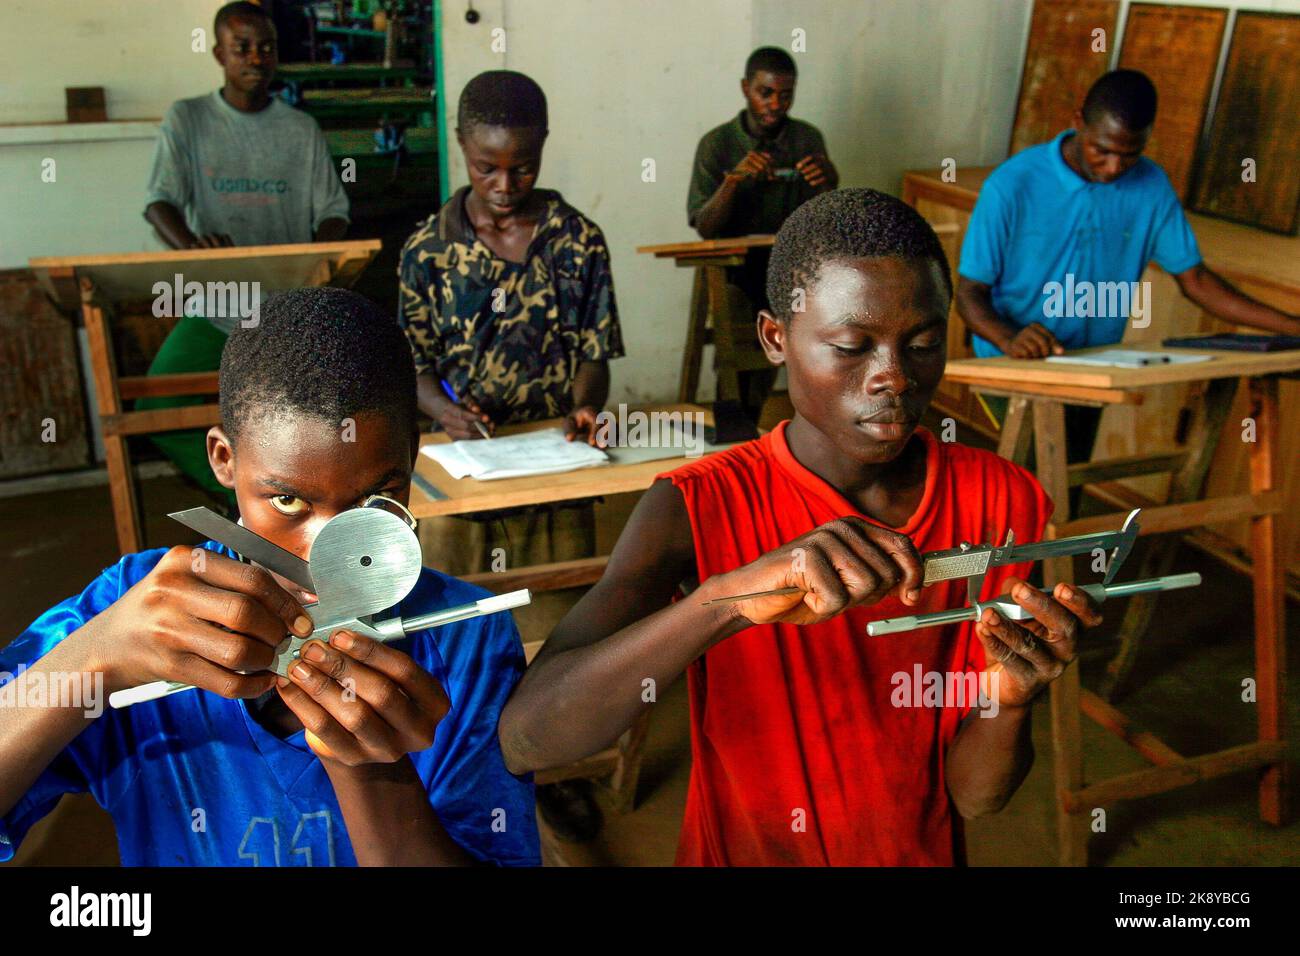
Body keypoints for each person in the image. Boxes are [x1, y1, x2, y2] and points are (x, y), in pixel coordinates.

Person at [499, 189, 1104, 866]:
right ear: (774, 339)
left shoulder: (1001, 501)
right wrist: (723, 602)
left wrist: (1009, 702)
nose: (893, 378)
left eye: (925, 343)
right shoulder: (697, 505)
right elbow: (529, 738)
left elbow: (973, 798)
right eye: (851, 346)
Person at [0, 288, 539, 866]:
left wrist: (374, 774)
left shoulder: (465, 639)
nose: (326, 557)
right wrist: (93, 659)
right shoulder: (132, 609)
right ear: (224, 459)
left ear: (412, 458)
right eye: (287, 501)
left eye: (379, 497)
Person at [398, 70, 625, 845]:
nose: (504, 184)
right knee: (459, 626)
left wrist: (586, 404)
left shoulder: (578, 240)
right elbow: (414, 366)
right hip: (465, 469)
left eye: (521, 168)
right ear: (462, 145)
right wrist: (445, 412)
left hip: (554, 460)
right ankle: (460, 776)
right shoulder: (428, 250)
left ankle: (550, 771)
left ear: (542, 150)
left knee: (557, 625)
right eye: (486, 166)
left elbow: (594, 352)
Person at [957, 68, 1300, 460]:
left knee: (1068, 474)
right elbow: (970, 293)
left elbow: (1197, 281)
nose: (1115, 167)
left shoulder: (1151, 185)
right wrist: (1009, 338)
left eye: (1130, 154)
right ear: (1078, 121)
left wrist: (1292, 327)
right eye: (1101, 150)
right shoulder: (1012, 184)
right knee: (1039, 473)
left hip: (1096, 363)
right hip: (1013, 361)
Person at [138, 1, 350, 507]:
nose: (256, 58)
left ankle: (289, 506)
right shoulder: (188, 119)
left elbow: (334, 210)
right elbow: (158, 202)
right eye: (243, 48)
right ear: (219, 54)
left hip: (283, 311)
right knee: (156, 405)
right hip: (216, 299)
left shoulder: (300, 129)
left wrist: (320, 252)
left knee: (300, 421)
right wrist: (194, 250)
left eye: (267, 47)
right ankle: (252, 502)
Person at [687, 46, 838, 422]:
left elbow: (824, 220)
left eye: (785, 95)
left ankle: (800, 428)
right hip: (732, 271)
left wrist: (829, 182)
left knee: (810, 327)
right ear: (745, 88)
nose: (775, 104)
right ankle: (736, 423)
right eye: (765, 93)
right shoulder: (717, 145)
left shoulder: (806, 140)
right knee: (741, 335)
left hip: (789, 269)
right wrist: (733, 181)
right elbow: (704, 225)